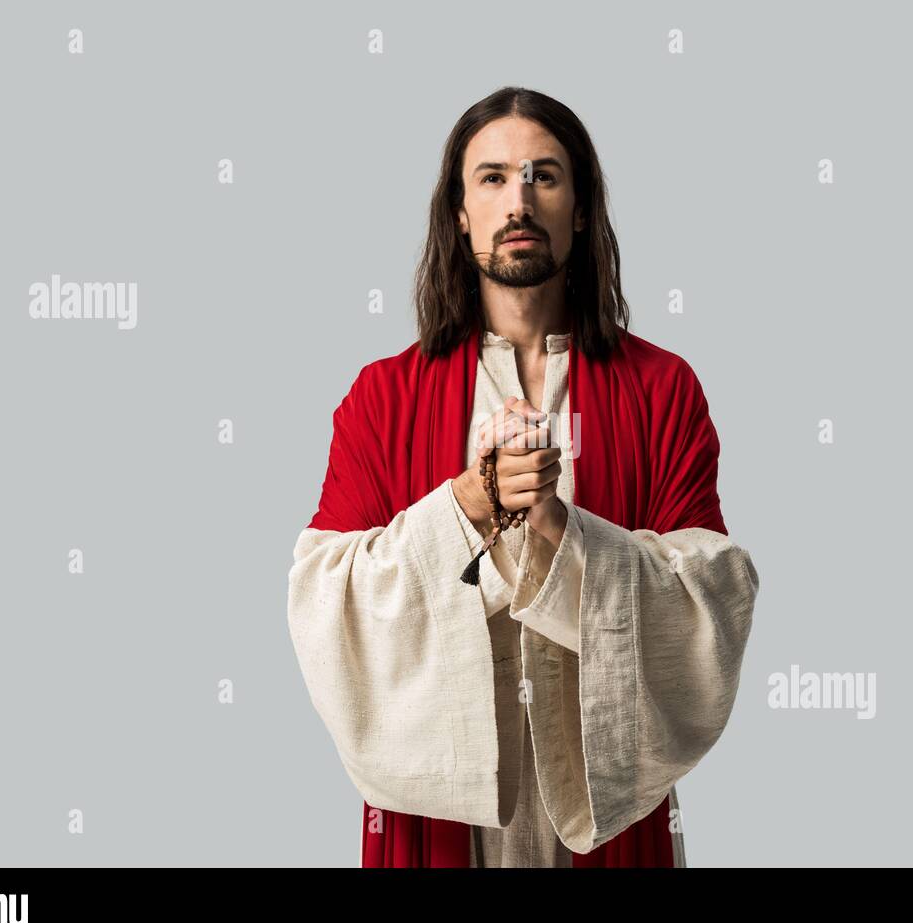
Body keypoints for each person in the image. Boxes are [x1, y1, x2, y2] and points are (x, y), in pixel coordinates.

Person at [286, 86, 760, 867]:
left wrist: (560, 530)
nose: (519, 200)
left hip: (603, 802)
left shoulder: (662, 389)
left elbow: (712, 598)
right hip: (445, 811)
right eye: (493, 178)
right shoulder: (380, 397)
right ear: (460, 213)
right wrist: (467, 505)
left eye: (544, 175)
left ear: (580, 209)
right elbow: (325, 601)